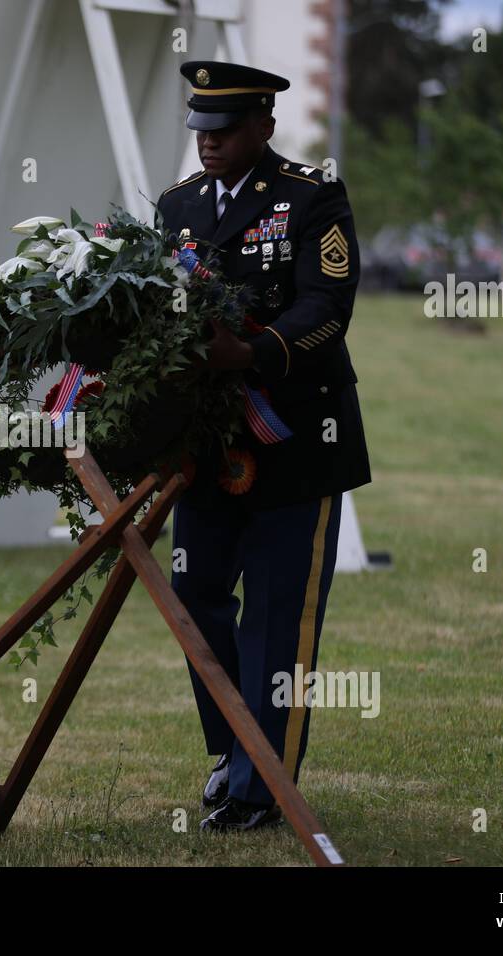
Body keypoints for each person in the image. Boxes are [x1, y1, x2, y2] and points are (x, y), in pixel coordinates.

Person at [155, 60, 371, 832]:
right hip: (209, 446)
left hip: (297, 441)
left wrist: (252, 353)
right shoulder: (177, 206)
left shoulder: (312, 196)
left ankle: (258, 788)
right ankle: (232, 750)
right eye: (200, 129)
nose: (208, 142)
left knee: (278, 617)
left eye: (224, 129)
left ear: (263, 125)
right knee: (195, 596)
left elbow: (328, 306)